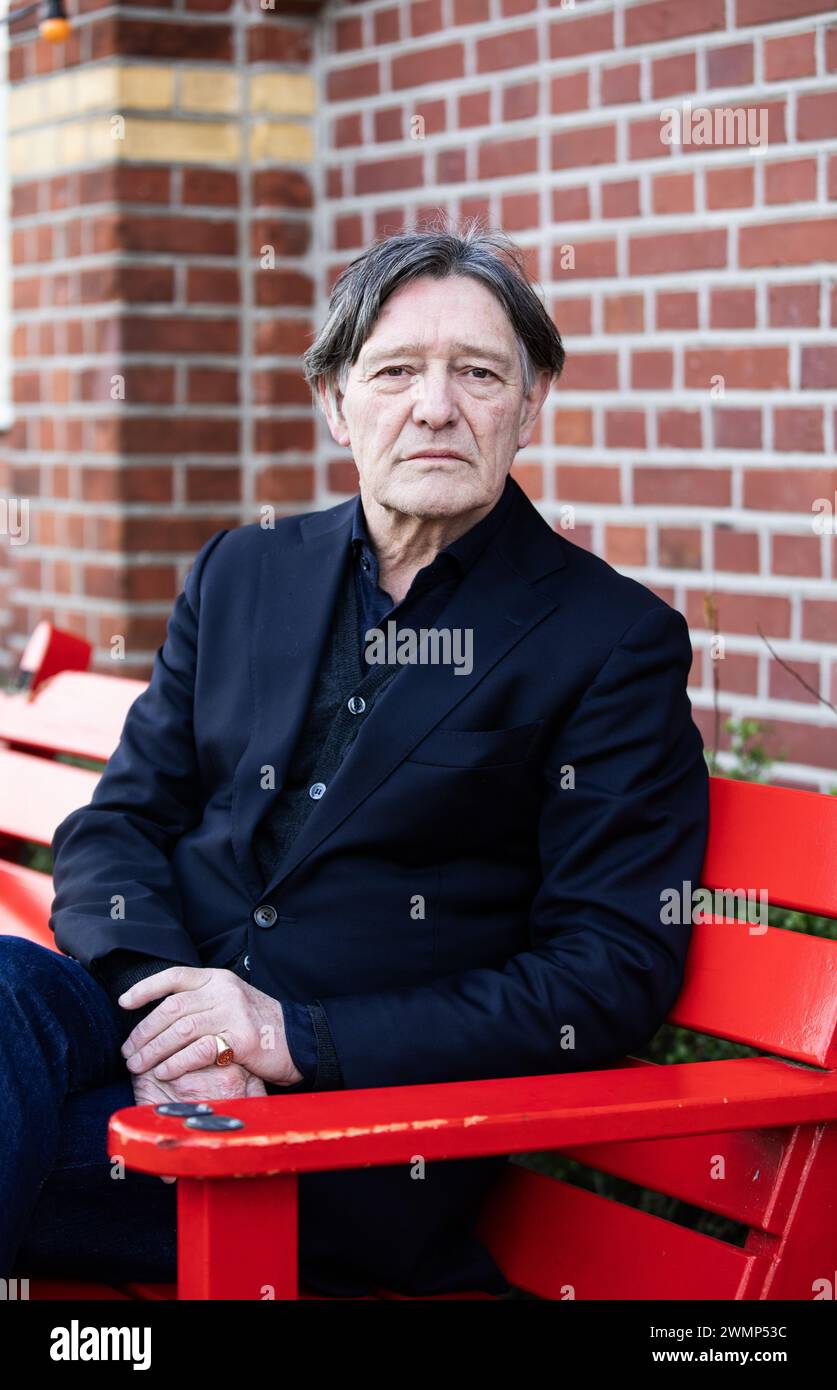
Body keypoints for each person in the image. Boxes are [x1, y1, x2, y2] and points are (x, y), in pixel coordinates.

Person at [1, 221, 709, 1298]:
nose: (436, 407)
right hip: (151, 1027)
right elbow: (119, 824)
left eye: (477, 372)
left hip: (350, 1125)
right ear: (336, 401)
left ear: (532, 401)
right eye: (395, 372)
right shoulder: (242, 571)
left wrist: (293, 1039)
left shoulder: (609, 642)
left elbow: (607, 969)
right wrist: (175, 1007)